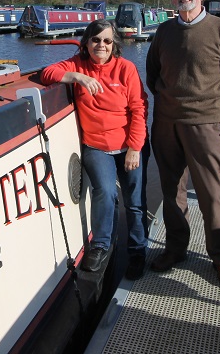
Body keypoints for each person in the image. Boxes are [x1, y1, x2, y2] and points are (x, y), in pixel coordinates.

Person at [145, 0, 220, 289]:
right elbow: (152, 77)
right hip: (166, 123)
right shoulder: (163, 31)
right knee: (172, 190)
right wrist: (169, 106)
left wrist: (213, 113)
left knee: (211, 193)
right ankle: (176, 250)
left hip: (205, 124)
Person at [40, 19, 150, 280]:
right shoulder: (77, 64)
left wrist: (134, 148)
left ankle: (137, 253)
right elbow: (47, 73)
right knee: (105, 191)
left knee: (134, 203)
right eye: (96, 40)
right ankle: (100, 246)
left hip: (128, 145)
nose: (102, 45)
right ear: (87, 42)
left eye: (108, 41)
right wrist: (76, 76)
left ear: (114, 44)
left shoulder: (126, 69)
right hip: (97, 146)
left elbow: (139, 110)